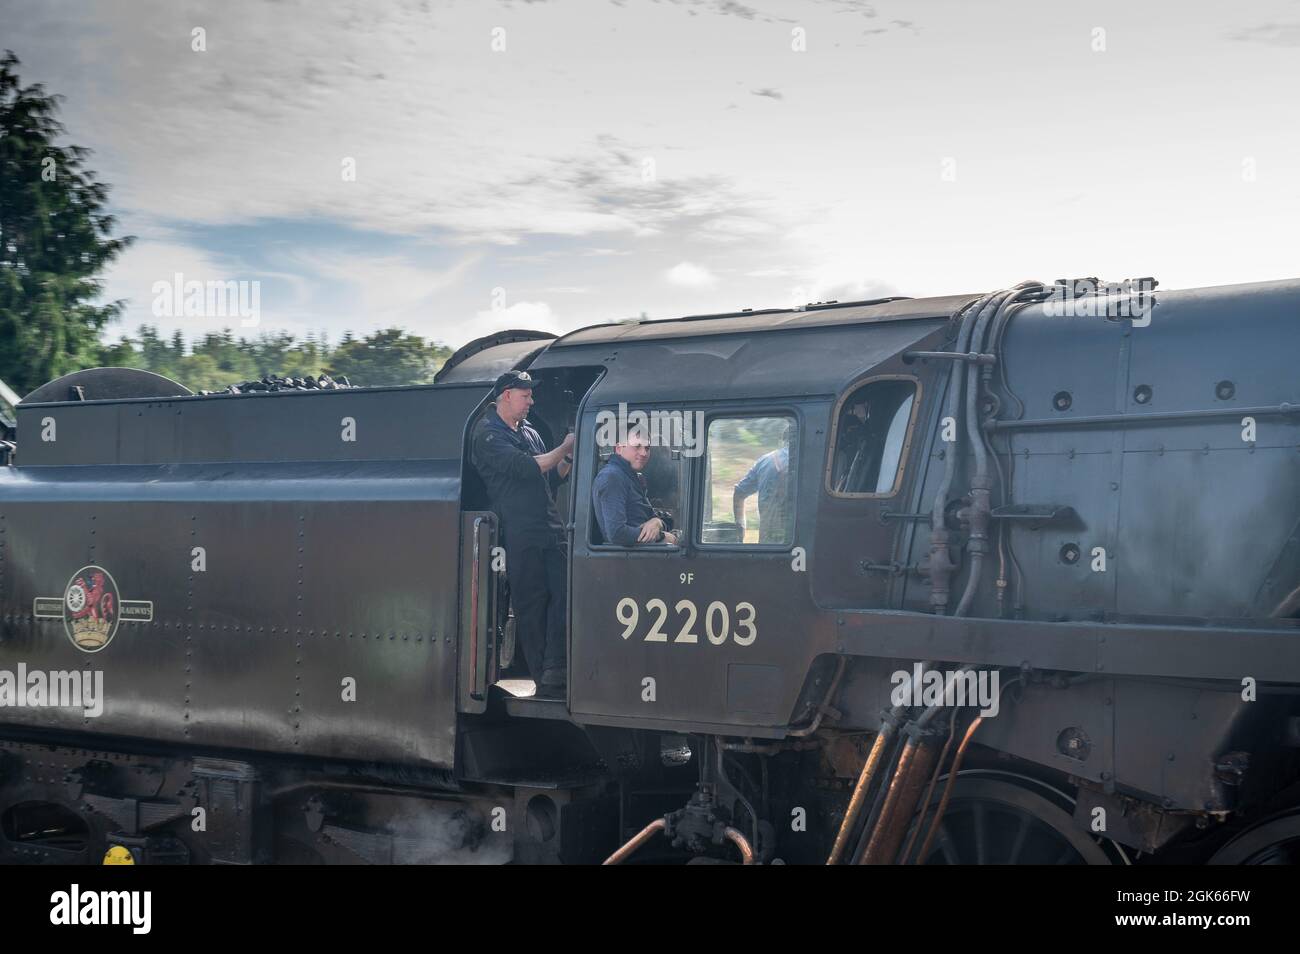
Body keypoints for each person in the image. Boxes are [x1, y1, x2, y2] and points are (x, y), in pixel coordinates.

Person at [470, 370, 574, 699]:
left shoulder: (529, 431)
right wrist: (565, 446)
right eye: (526, 395)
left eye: (531, 395)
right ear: (506, 395)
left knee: (565, 592)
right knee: (532, 605)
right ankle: (544, 678)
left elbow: (550, 477)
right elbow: (527, 468)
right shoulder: (487, 434)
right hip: (519, 530)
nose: (531, 401)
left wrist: (571, 455)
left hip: (549, 523)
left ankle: (557, 665)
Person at [593, 431, 679, 546]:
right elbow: (617, 534)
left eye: (647, 448)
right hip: (626, 560)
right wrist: (660, 537)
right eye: (637, 446)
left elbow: (651, 517)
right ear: (619, 448)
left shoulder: (632, 477)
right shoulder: (612, 477)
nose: (644, 453)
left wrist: (657, 522)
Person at [733, 426, 795, 544]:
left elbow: (739, 493)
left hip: (768, 545)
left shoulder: (765, 461)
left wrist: (740, 529)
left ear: (783, 441)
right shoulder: (818, 462)